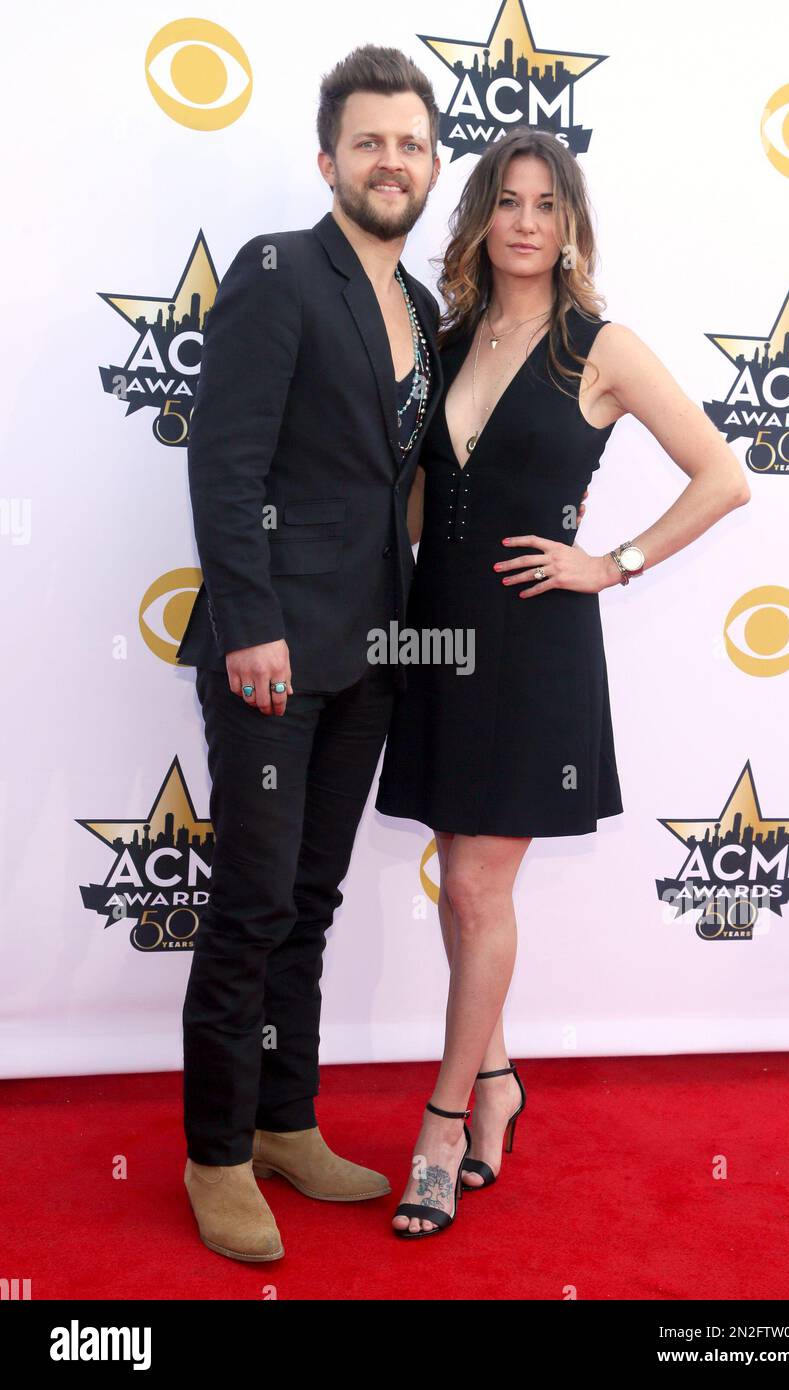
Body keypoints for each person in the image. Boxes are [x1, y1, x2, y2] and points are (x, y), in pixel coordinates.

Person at [375, 127, 751, 1237]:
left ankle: (443, 1124)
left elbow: (722, 476)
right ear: (480, 216)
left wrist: (610, 562)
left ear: (569, 222)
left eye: (547, 203)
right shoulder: (440, 341)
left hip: (535, 647)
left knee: (481, 886)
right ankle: (497, 1083)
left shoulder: (603, 348)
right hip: (435, 638)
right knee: (459, 872)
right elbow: (411, 502)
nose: (527, 221)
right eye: (507, 200)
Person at [175, 45, 444, 1262]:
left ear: (434, 163)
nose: (393, 160)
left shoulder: (424, 308)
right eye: (370, 140)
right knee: (252, 904)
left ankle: (287, 1121)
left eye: (412, 142)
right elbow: (224, 467)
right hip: (270, 652)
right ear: (328, 157)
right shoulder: (280, 273)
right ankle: (216, 1155)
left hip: (370, 651)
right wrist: (252, 626)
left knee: (314, 902)